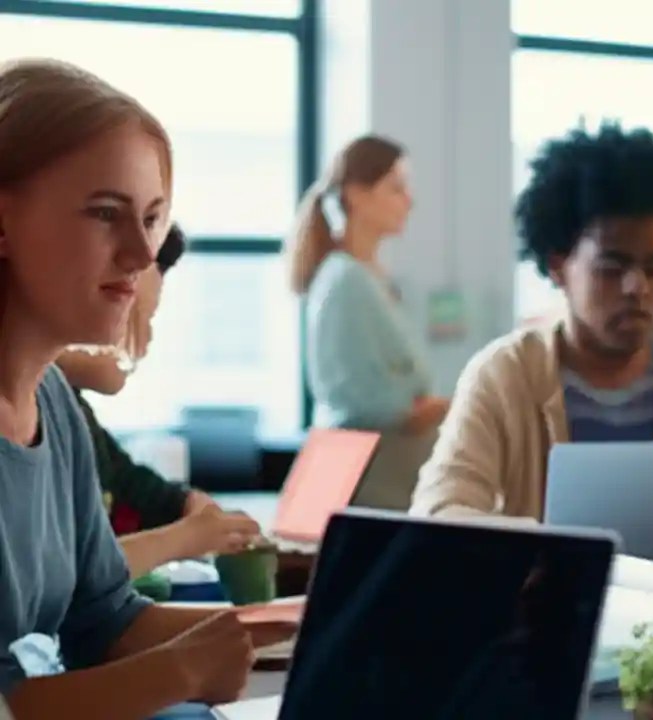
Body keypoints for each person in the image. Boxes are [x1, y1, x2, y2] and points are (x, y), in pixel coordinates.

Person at [0, 58, 292, 717]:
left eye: (152, 218)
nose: (141, 254)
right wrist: (179, 673)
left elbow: (106, 621)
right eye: (106, 213)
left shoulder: (54, 406)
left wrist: (309, 621)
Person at [410, 123, 653, 520]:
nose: (637, 287)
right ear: (558, 266)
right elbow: (439, 511)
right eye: (612, 268)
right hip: (551, 582)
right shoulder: (506, 375)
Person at [57, 223, 260, 579]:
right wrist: (183, 538)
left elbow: (127, 483)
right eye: (139, 316)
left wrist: (185, 506)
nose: (145, 339)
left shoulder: (67, 407)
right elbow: (65, 576)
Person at [287, 134, 449, 433]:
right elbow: (357, 404)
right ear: (357, 195)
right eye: (396, 188)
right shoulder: (346, 281)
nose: (410, 201)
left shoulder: (373, 279)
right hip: (370, 469)